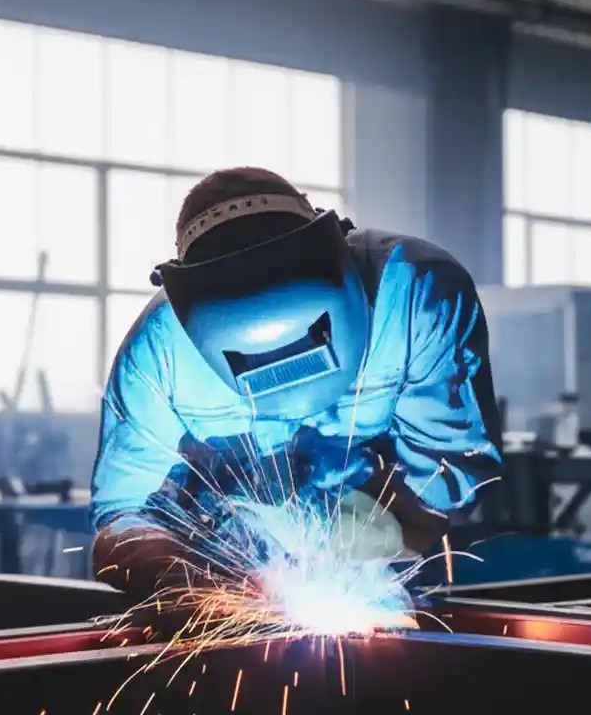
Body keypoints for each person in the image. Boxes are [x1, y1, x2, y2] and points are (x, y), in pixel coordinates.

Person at [90, 166, 502, 600]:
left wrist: (352, 527)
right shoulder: (158, 353)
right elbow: (120, 525)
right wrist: (189, 579)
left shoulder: (414, 295)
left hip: (389, 562)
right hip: (232, 576)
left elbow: (447, 480)